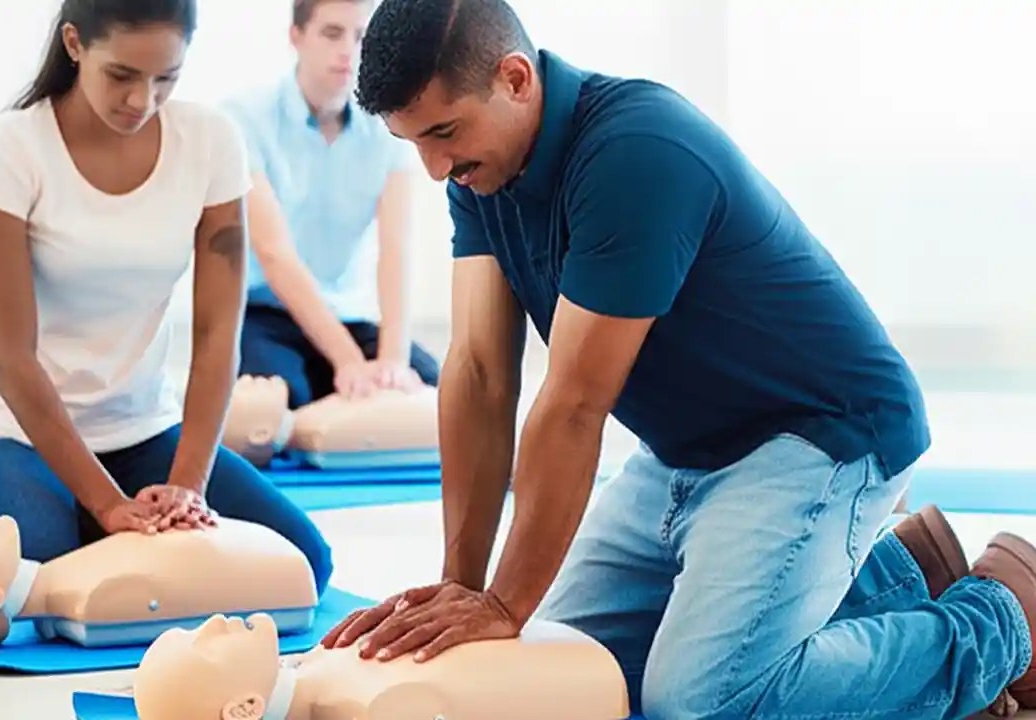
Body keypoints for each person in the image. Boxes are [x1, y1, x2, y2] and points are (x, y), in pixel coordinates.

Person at [318, 1, 1036, 718]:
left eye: (444, 133)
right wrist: (463, 591)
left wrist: (503, 601)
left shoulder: (633, 151)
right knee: (569, 670)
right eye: (414, 143)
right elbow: (477, 372)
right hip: (683, 456)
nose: (436, 168)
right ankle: (901, 577)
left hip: (822, 438)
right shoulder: (484, 171)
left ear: (514, 79)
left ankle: (1002, 622)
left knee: (698, 703)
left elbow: (572, 404)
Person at [0, 0, 332, 595]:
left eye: (165, 79)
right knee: (54, 572)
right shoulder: (9, 149)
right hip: (13, 440)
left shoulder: (210, 141)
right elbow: (10, 358)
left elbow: (217, 335)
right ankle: (96, 527)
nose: (141, 101)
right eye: (121, 76)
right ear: (75, 45)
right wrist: (105, 503)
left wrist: (188, 488)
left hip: (145, 434)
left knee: (304, 563)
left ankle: (131, 530)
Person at [222, 0, 440, 409]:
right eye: (332, 33)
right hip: (268, 317)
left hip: (350, 316)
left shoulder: (389, 127)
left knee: (438, 391)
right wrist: (349, 362)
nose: (349, 52)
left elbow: (396, 249)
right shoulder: (242, 121)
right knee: (276, 403)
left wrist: (392, 361)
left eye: (360, 37)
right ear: (297, 36)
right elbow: (274, 255)